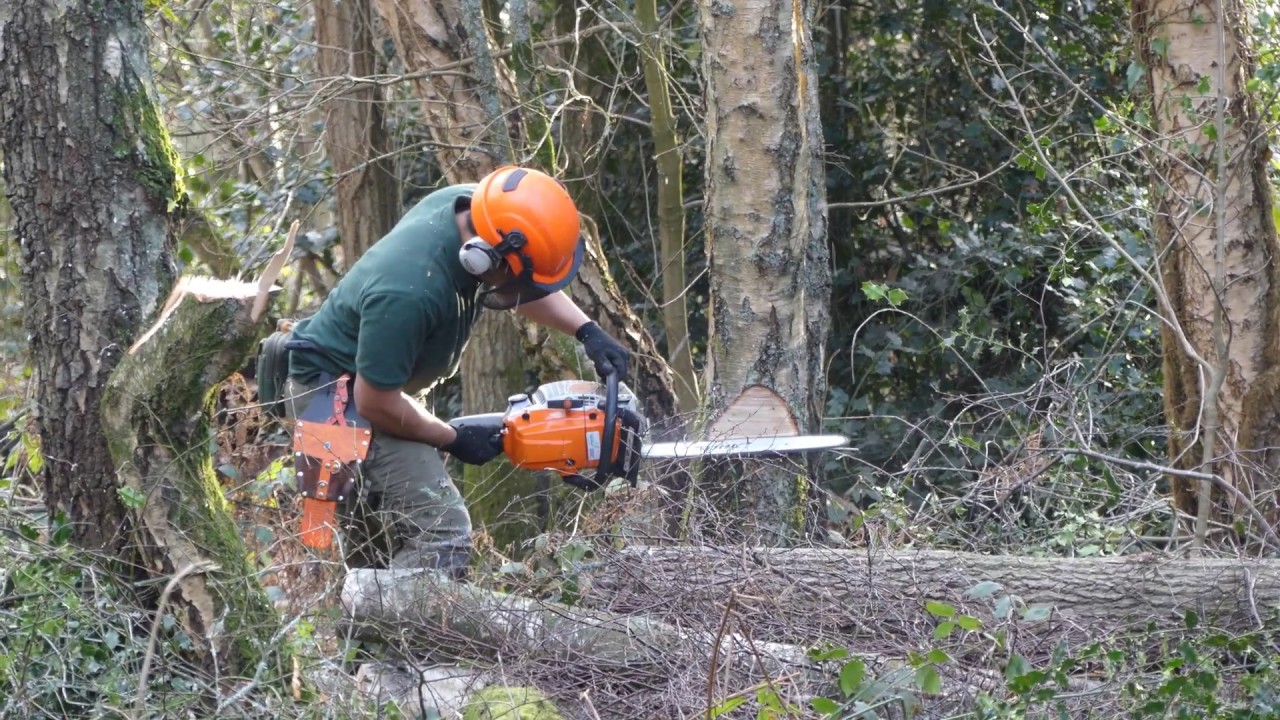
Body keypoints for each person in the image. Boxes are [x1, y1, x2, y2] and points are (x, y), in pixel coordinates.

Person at [279, 166, 631, 578]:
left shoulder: (483, 211)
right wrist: (453, 438)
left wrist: (586, 331)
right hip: (338, 399)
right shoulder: (408, 291)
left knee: (380, 540)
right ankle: (407, 618)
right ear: (481, 257)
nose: (521, 289)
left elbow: (523, 282)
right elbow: (374, 402)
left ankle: (372, 610)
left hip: (383, 383)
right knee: (441, 534)